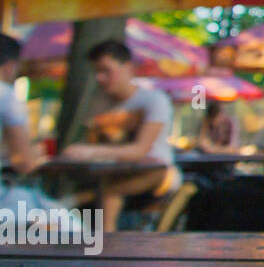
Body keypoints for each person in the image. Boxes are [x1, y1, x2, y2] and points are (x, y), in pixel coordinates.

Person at [60, 40, 181, 230]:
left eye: (106, 71)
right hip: (110, 176)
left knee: (108, 193)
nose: (99, 78)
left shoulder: (154, 100)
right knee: (98, 191)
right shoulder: (100, 103)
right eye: (96, 72)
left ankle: (106, 245)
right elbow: (95, 145)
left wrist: (89, 152)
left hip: (155, 178)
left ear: (128, 67)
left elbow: (139, 150)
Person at [0, 34, 41, 176]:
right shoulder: (6, 95)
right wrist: (34, 154)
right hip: (5, 194)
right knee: (23, 198)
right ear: (10, 65)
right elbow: (23, 163)